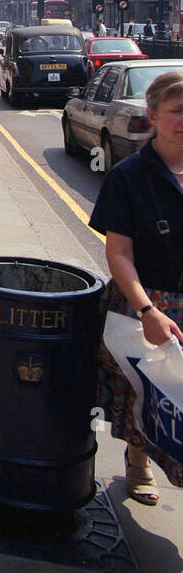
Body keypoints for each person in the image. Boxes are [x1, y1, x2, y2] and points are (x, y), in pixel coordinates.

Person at [91, 72, 183, 506]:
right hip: (150, 305)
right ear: (153, 115)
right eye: (177, 111)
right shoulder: (129, 177)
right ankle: (138, 457)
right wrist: (147, 311)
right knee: (148, 398)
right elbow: (120, 253)